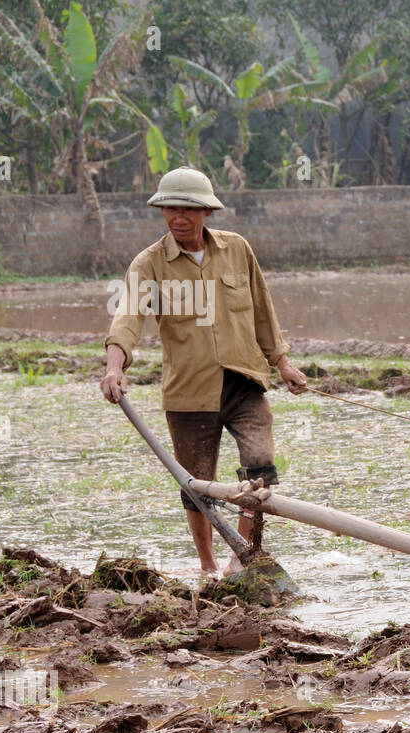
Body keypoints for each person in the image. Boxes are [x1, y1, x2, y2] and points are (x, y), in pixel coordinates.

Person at [100, 166, 307, 576]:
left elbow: (263, 310)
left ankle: (242, 556)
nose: (179, 218)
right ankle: (209, 566)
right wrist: (114, 367)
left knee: (259, 468)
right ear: (162, 212)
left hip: (244, 381)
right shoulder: (149, 264)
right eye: (170, 209)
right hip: (189, 392)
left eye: (188, 210)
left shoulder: (236, 250)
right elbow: (127, 319)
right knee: (196, 486)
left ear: (206, 212)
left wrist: (282, 363)